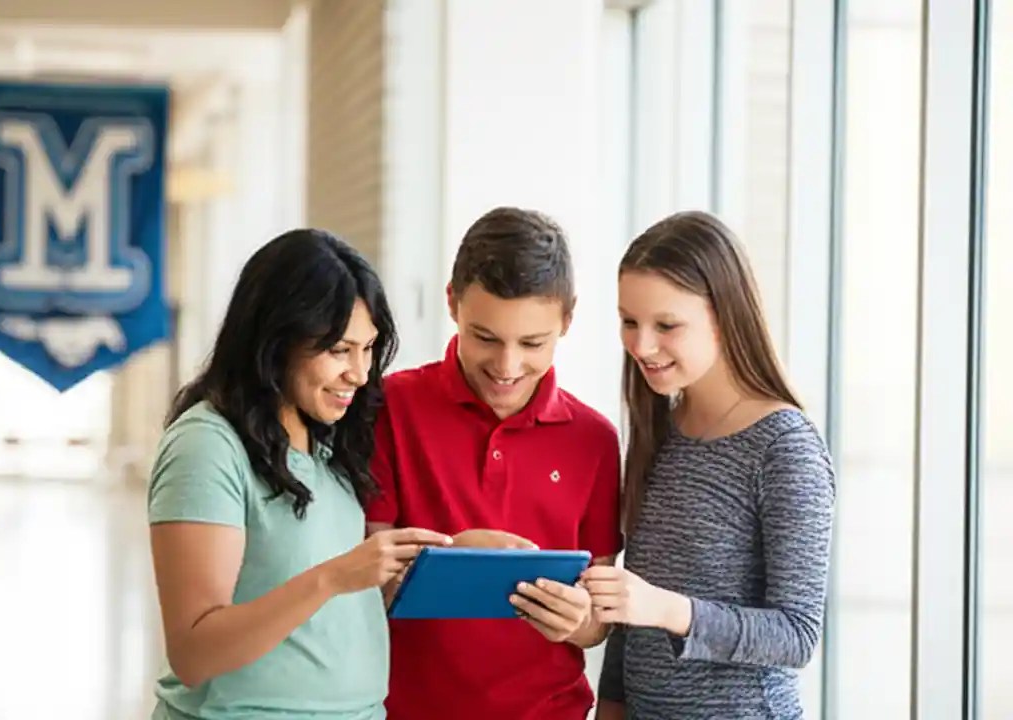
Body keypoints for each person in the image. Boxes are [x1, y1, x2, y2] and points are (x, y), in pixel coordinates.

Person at [146, 228, 453, 720]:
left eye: (369, 348)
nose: (359, 372)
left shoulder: (332, 441)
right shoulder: (207, 446)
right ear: (276, 341)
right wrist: (331, 577)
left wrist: (463, 554)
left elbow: (340, 610)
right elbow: (194, 653)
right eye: (338, 350)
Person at [365, 207, 624, 720]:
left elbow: (598, 622)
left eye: (532, 344)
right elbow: (362, 585)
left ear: (567, 321)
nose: (507, 367)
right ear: (452, 303)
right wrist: (450, 562)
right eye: (485, 337)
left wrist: (580, 621)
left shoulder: (595, 441)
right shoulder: (390, 408)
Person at [589, 210, 836, 719]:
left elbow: (796, 635)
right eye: (629, 321)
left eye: (667, 325)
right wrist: (610, 707)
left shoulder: (785, 450)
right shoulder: (660, 426)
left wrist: (667, 610)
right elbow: (631, 601)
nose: (641, 345)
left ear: (725, 317)